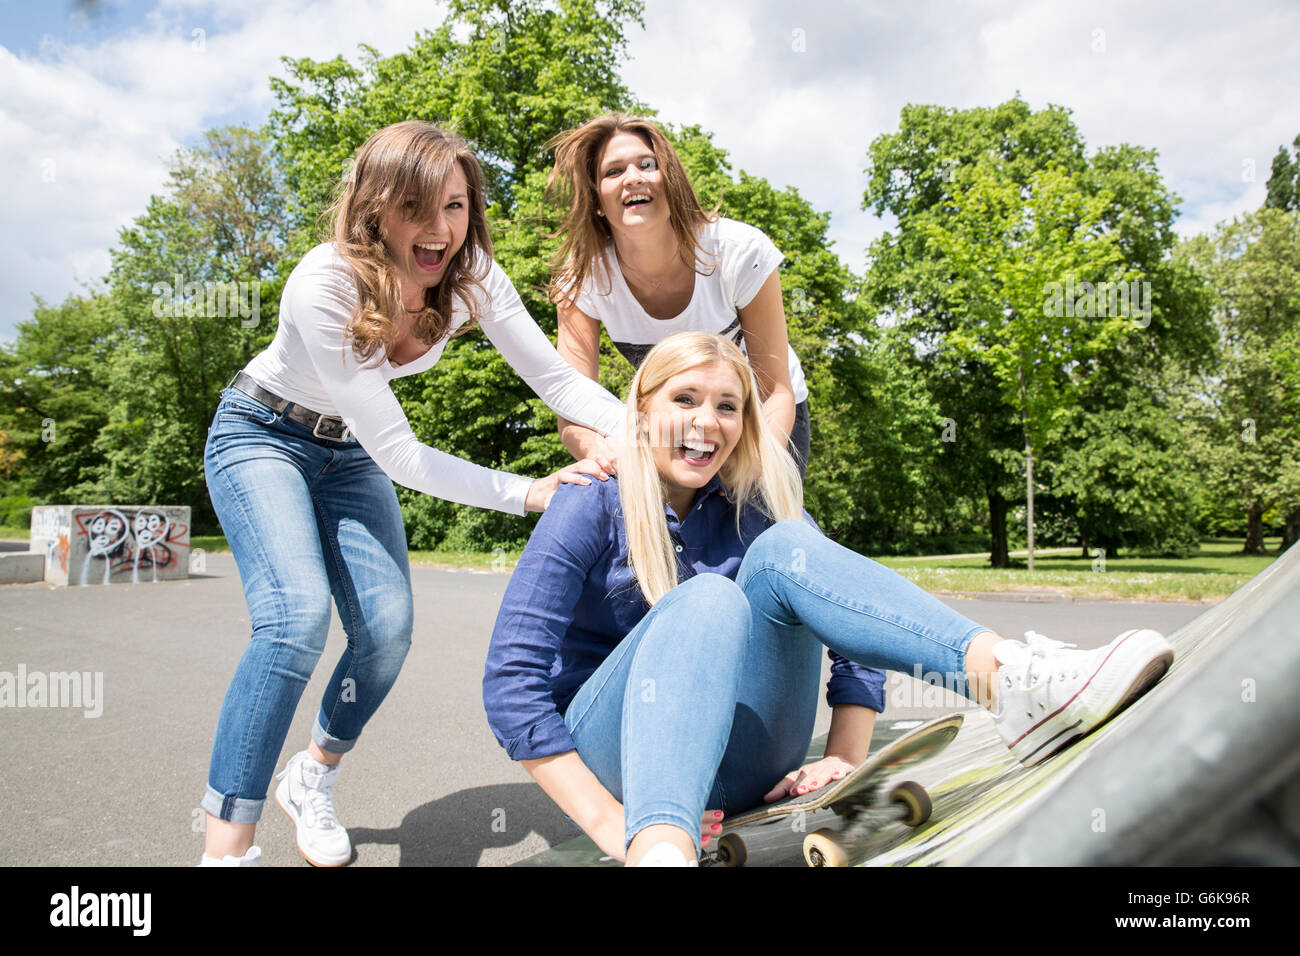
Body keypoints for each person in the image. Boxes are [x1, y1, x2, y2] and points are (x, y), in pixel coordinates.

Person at [481, 332, 1174, 866]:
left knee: (785, 549)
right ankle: (662, 849)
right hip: (624, 763)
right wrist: (610, 825)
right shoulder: (587, 506)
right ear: (641, 412)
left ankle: (1017, 681)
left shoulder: (755, 508)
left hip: (743, 762)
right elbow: (511, 683)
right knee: (706, 602)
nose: (707, 422)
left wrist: (846, 756)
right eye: (685, 400)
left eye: (728, 406)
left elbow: (852, 629)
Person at [199, 121, 626, 867]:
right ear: (375, 208)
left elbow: (556, 381)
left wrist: (665, 429)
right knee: (295, 621)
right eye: (417, 208)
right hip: (263, 432)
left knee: (388, 630)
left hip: (348, 452)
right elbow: (399, 453)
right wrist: (530, 493)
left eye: (456, 206)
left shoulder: (473, 275)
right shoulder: (325, 283)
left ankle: (311, 776)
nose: (440, 230)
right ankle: (226, 849)